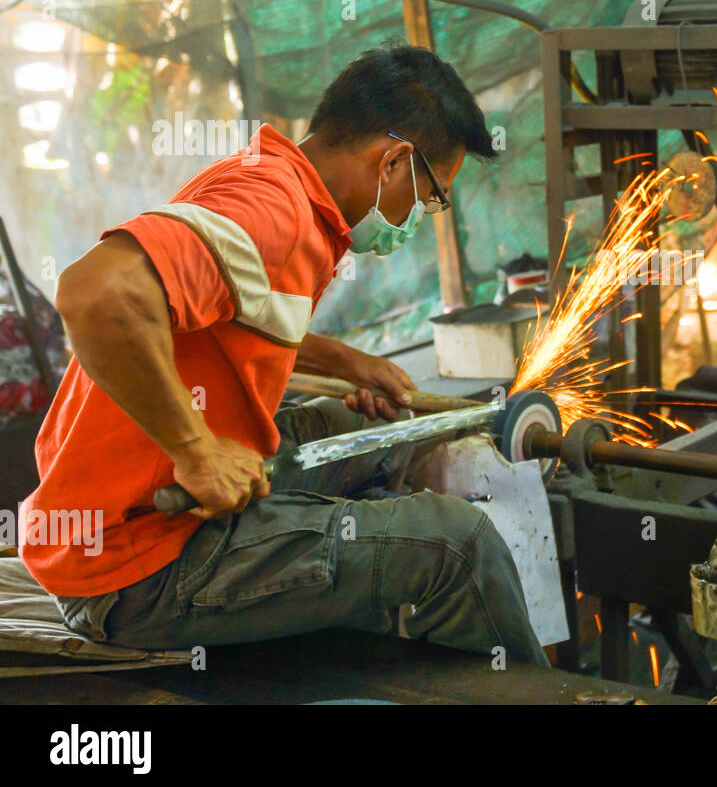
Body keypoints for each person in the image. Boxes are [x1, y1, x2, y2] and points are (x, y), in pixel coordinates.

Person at [19, 45, 548, 666]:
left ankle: (354, 573)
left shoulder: (279, 180)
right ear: (396, 160)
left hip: (120, 516)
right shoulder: (275, 212)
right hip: (133, 569)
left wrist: (340, 359)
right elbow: (93, 292)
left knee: (367, 431)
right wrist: (195, 450)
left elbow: (220, 319)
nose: (423, 216)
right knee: (460, 543)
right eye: (433, 194)